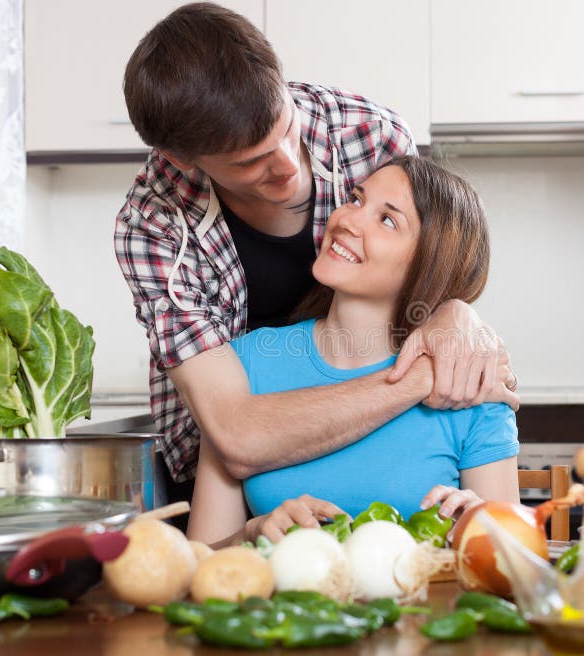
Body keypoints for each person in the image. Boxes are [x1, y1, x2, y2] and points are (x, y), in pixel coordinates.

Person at [114, 3, 519, 517]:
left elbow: (432, 249)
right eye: (251, 161)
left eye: (287, 128)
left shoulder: (370, 133)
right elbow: (236, 434)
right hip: (241, 442)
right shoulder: (152, 224)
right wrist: (422, 380)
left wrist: (455, 310)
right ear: (183, 160)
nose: (288, 165)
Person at [188, 156, 520, 546]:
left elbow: (514, 561)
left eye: (388, 220)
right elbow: (200, 561)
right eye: (356, 199)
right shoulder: (245, 364)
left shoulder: (466, 383)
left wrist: (477, 530)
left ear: (431, 263)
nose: (347, 219)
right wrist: (251, 533)